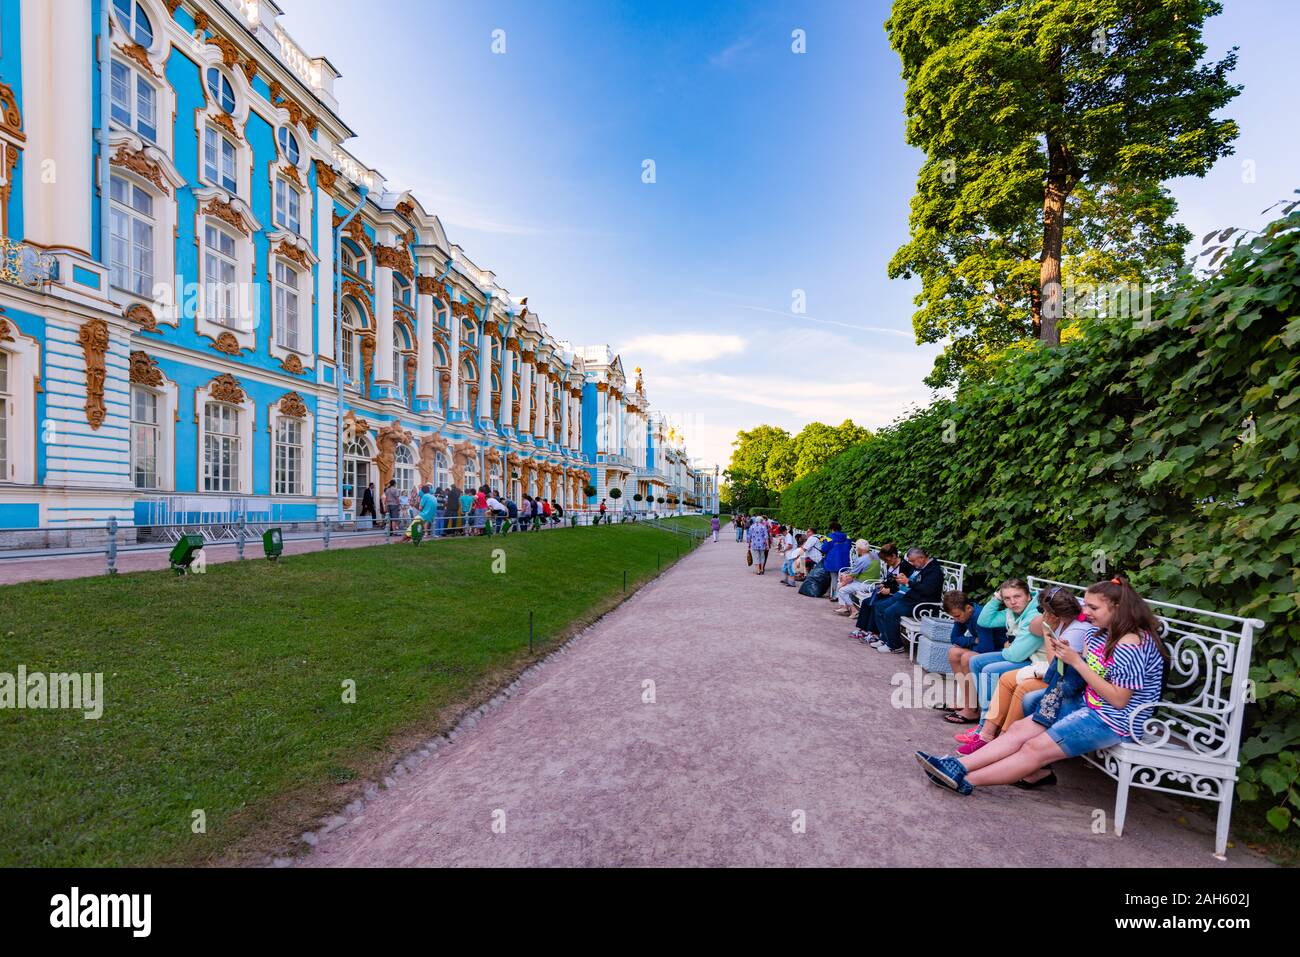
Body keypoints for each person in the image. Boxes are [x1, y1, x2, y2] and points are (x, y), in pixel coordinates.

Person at [917, 576, 1169, 795]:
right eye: (1086, 604)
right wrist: (1066, 649)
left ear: (1118, 608)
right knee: (1018, 730)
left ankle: (964, 780)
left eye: (1093, 607)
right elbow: (1066, 641)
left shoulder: (1130, 644)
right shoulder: (1099, 632)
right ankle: (956, 766)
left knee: (1034, 747)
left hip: (1115, 718)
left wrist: (1077, 663)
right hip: (1087, 703)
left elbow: (1119, 699)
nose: (1085, 611)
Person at [955, 586, 1089, 756]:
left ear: (1053, 613)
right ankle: (986, 734)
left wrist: (1048, 630)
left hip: (1065, 681)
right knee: (1006, 679)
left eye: (1043, 610)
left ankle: (1003, 742)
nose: (1040, 613)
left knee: (1023, 688)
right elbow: (1032, 627)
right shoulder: (1059, 620)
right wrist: (1046, 622)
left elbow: (1054, 665)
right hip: (1049, 671)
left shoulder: (1075, 630)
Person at [944, 578, 1040, 725]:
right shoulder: (1010, 612)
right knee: (954, 653)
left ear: (1028, 596)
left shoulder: (1033, 615)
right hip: (1011, 651)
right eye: (1007, 598)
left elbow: (988, 647)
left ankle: (978, 714)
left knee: (968, 658)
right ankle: (967, 702)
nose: (1012, 602)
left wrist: (971, 645)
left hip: (1025, 657)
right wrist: (996, 598)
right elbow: (956, 637)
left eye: (1017, 596)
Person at [871, 546, 946, 654]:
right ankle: (885, 639)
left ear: (921, 558)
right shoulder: (923, 567)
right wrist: (904, 579)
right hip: (911, 598)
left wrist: (908, 582)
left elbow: (927, 590)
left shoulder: (934, 571)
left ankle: (895, 645)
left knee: (890, 612)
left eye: (913, 561)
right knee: (879, 606)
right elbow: (915, 582)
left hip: (922, 604)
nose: (911, 564)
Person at [849, 544, 911, 641]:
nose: (886, 562)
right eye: (885, 560)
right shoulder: (889, 565)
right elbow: (889, 580)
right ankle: (863, 629)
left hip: (897, 595)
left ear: (894, 556)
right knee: (866, 602)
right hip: (887, 592)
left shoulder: (905, 567)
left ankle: (874, 633)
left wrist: (890, 590)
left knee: (876, 604)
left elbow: (905, 587)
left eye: (887, 560)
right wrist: (883, 585)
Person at [834, 539, 879, 616]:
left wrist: (843, 581)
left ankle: (854, 610)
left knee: (841, 589)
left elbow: (852, 576)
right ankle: (844, 607)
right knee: (842, 584)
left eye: (857, 548)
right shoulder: (875, 555)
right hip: (873, 582)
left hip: (864, 584)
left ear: (860, 549)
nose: (856, 550)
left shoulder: (862, 559)